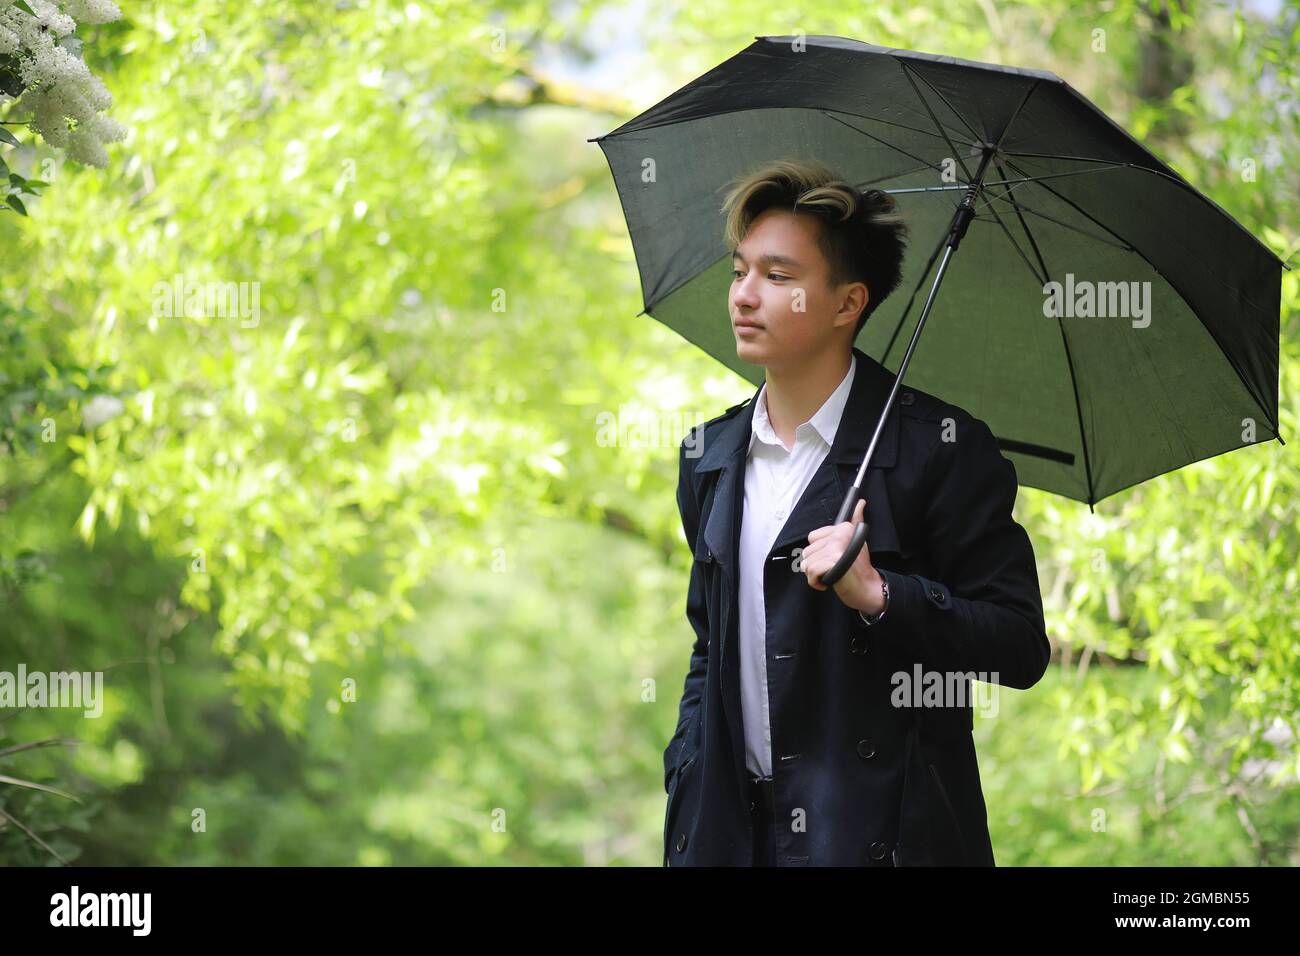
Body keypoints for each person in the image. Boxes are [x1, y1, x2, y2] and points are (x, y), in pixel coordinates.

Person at [662, 159, 1051, 866]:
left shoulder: (942, 451)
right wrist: (686, 771)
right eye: (739, 270)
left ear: (847, 304)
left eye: (778, 277)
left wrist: (881, 596)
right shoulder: (709, 456)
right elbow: (709, 643)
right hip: (729, 837)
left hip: (879, 840)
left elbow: (1019, 646)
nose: (745, 296)